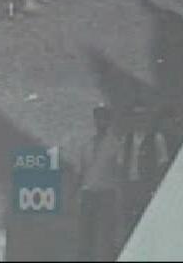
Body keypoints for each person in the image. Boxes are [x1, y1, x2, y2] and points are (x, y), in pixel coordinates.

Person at [76, 105, 123, 261]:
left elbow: (119, 170)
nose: (100, 122)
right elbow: (82, 171)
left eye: (103, 119)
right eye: (97, 118)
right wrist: (76, 193)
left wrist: (118, 194)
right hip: (88, 193)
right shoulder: (87, 144)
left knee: (106, 233)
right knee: (86, 232)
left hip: (106, 193)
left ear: (108, 121)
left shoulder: (114, 144)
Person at [119, 102, 170, 229]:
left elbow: (162, 163)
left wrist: (155, 185)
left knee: (146, 218)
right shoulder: (126, 139)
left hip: (146, 185)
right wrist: (123, 184)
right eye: (136, 116)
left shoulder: (156, 138)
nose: (139, 119)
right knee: (129, 219)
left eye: (142, 116)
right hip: (130, 185)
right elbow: (120, 162)